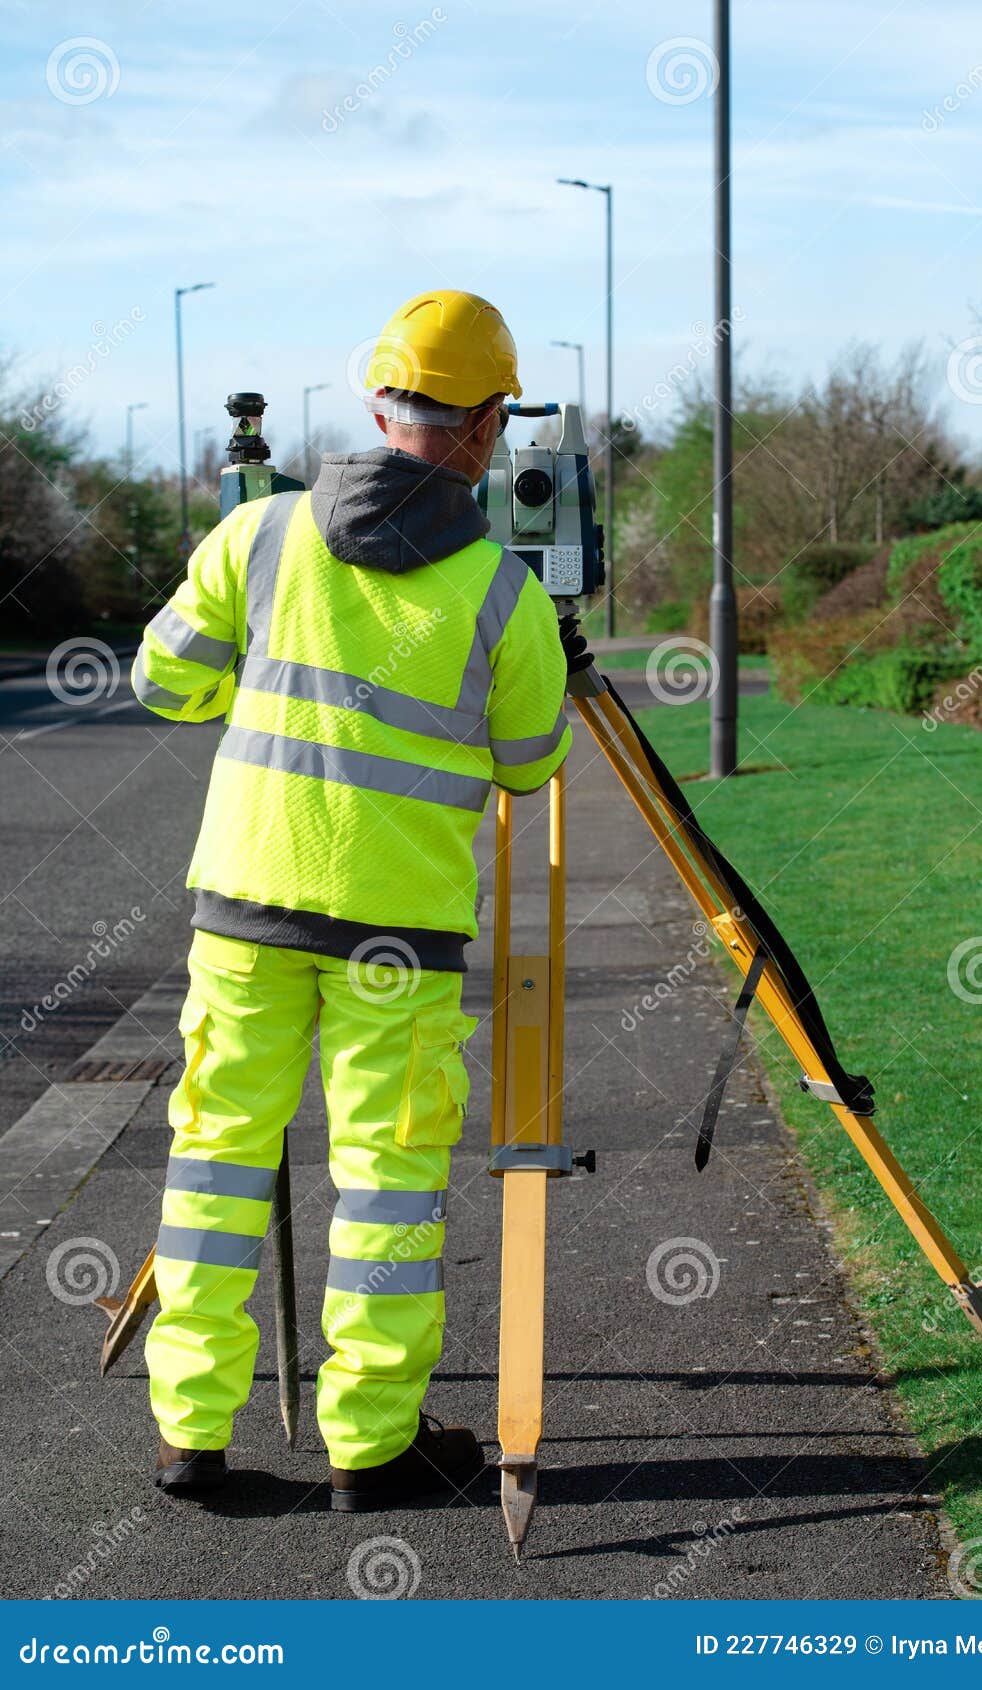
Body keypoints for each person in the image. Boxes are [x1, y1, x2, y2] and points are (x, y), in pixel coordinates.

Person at [132, 290, 573, 1511]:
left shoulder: (259, 535)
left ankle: (190, 1433)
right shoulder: (502, 592)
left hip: (245, 912)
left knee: (214, 1158)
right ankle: (372, 1445)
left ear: (380, 404)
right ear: (488, 430)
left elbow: (162, 682)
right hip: (399, 937)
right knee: (385, 1180)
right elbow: (533, 761)